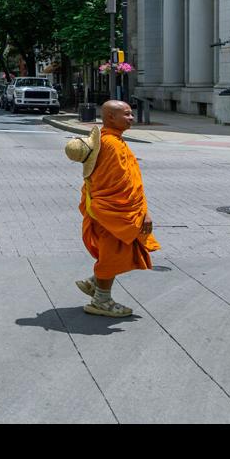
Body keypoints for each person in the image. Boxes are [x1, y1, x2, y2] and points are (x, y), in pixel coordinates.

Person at [66, 100, 160, 317]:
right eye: (126, 115)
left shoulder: (111, 141)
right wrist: (143, 213)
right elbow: (124, 187)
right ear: (110, 118)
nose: (131, 118)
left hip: (106, 210)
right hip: (113, 213)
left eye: (131, 114)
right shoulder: (112, 145)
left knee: (118, 252)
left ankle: (95, 284)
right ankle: (101, 300)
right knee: (113, 255)